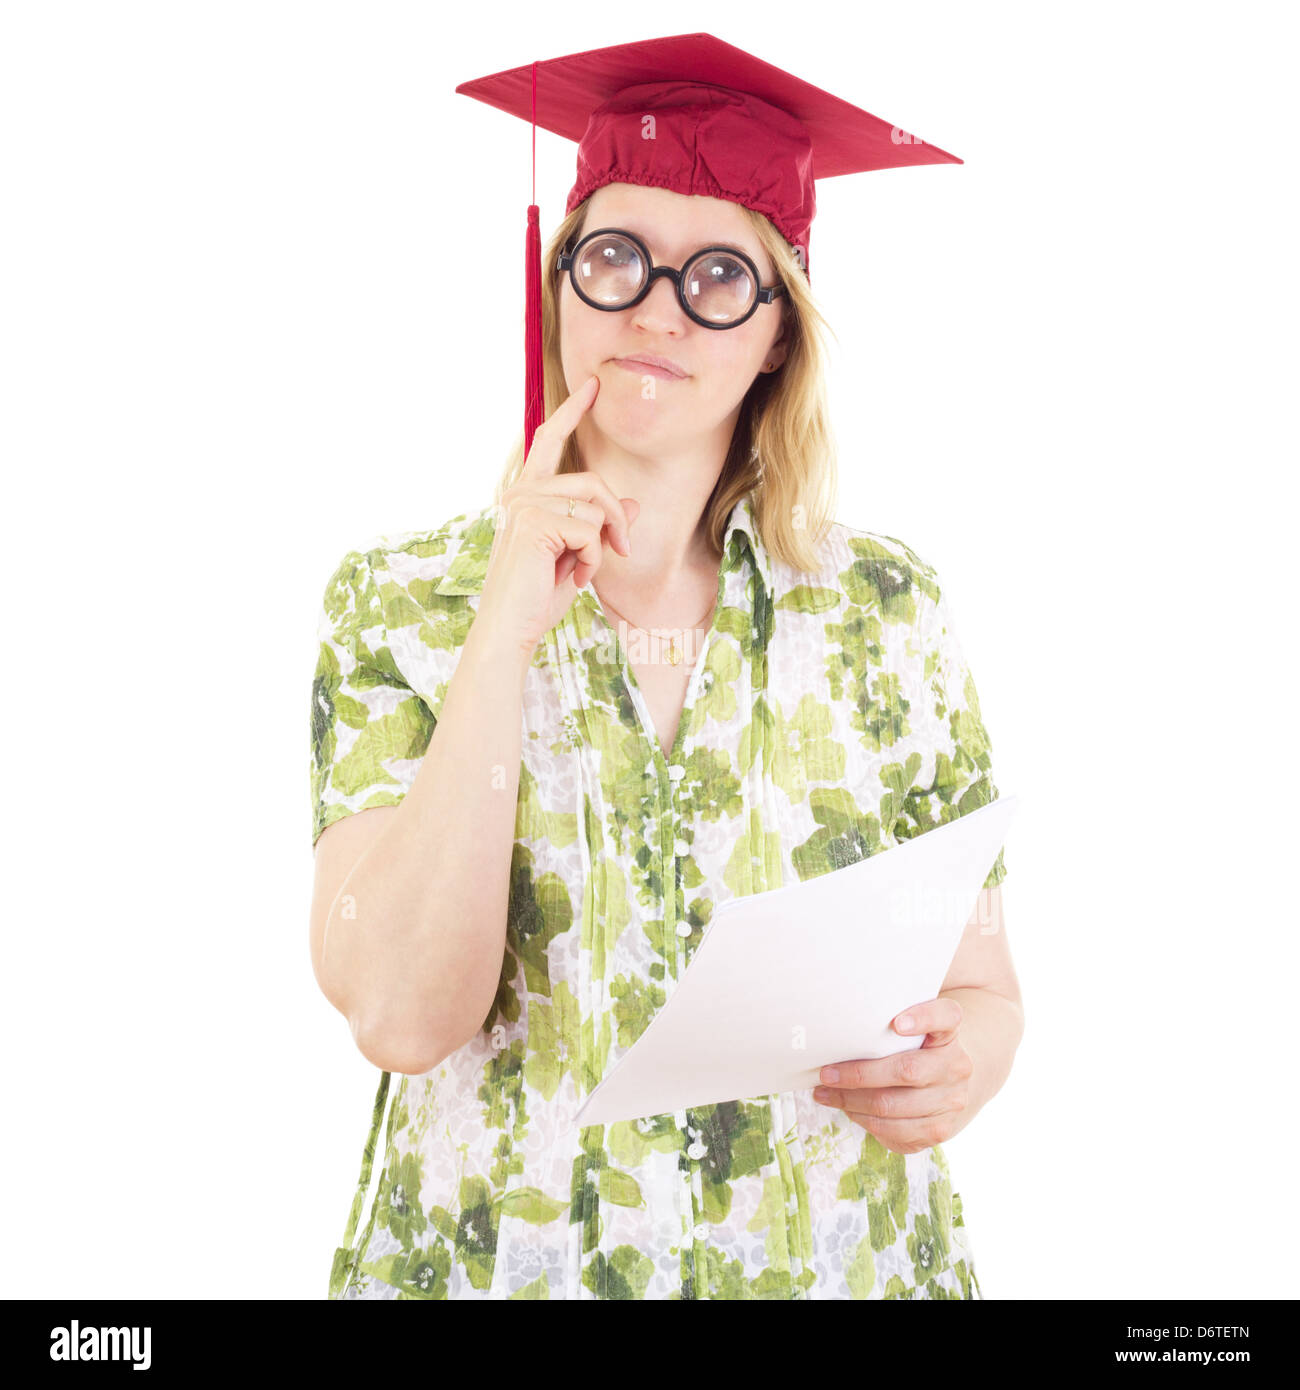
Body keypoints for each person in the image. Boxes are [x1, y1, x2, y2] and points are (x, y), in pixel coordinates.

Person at [308, 34, 1023, 1300]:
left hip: (829, 1266)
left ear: (775, 339)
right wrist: (502, 635)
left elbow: (978, 984)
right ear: (559, 286)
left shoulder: (885, 611)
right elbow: (403, 1017)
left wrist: (961, 1061)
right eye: (616, 256)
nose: (655, 306)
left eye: (719, 278)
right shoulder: (401, 604)